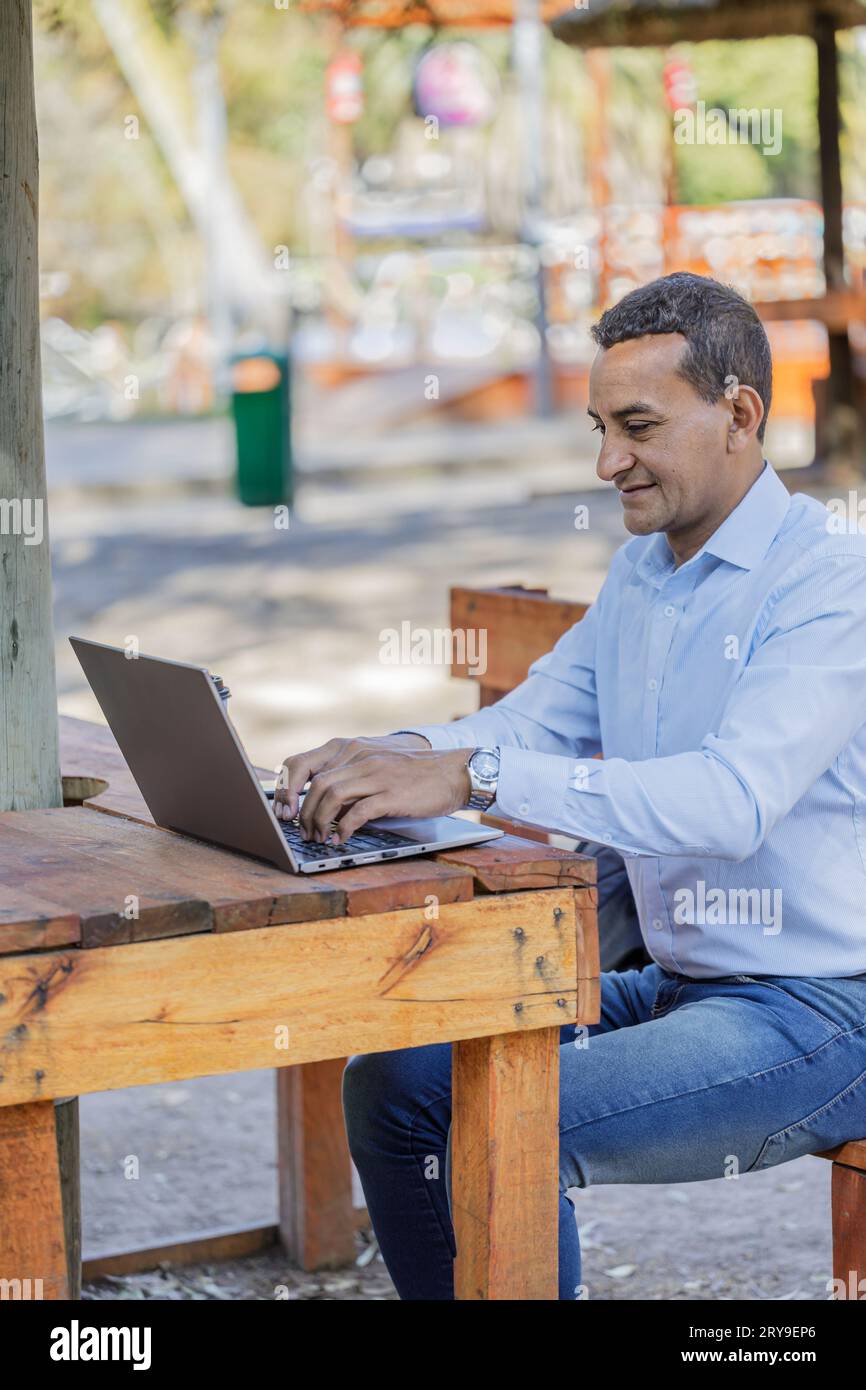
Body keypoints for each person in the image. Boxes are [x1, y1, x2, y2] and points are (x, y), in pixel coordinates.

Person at [274, 273, 866, 1300]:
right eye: (598, 426)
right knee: (393, 1085)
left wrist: (471, 770)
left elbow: (729, 801)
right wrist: (382, 753)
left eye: (635, 425)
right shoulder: (642, 572)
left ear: (739, 413)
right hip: (681, 985)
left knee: (509, 1123)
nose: (605, 462)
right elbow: (529, 719)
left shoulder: (828, 584)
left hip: (819, 1008)